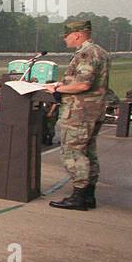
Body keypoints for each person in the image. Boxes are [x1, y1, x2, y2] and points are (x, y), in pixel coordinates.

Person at [46, 18, 111, 210]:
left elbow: (83, 84)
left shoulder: (86, 53)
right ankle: (88, 194)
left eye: (67, 36)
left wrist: (57, 90)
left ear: (77, 34)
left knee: (73, 152)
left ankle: (78, 197)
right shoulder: (101, 52)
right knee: (88, 152)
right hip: (94, 110)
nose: (65, 39)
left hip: (80, 112)